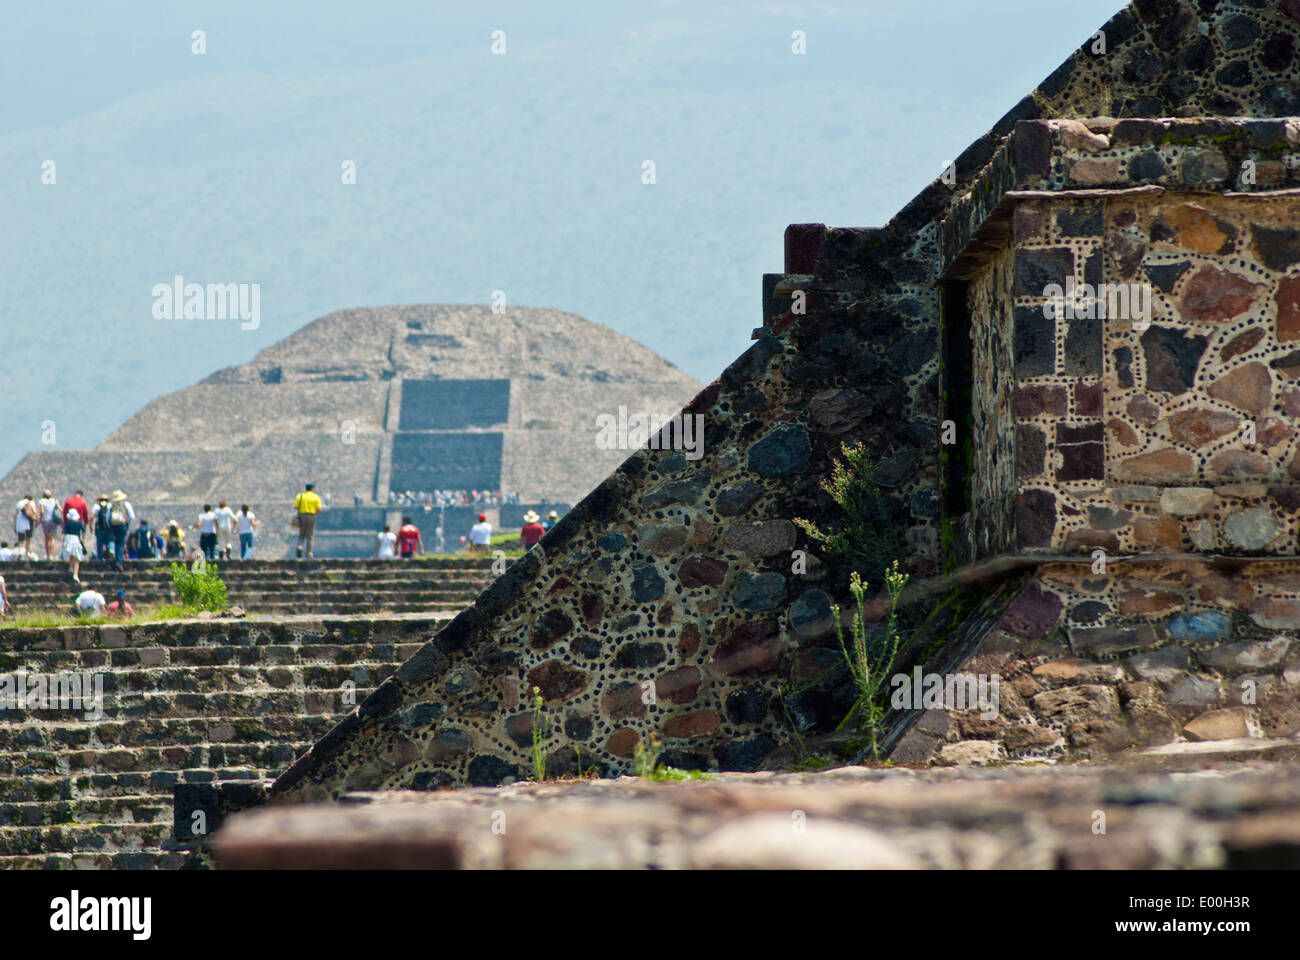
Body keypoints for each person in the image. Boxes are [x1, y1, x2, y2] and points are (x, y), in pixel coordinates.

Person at [293, 483, 323, 559]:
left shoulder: (300, 496)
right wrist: (313, 512)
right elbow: (319, 509)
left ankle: (300, 546)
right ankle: (309, 554)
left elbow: (296, 507)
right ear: (312, 489)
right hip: (311, 516)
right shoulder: (316, 497)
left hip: (302, 516)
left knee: (302, 534)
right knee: (310, 536)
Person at [107, 490, 135, 565]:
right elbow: (132, 516)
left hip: (114, 525)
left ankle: (116, 558)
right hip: (123, 525)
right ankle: (119, 561)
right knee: (121, 543)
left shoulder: (111, 505)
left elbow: (107, 518)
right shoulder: (126, 504)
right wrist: (128, 525)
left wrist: (110, 526)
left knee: (116, 542)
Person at [61, 507, 87, 582]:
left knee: (71, 554)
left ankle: (71, 567)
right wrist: (83, 539)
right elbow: (84, 531)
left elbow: (63, 532)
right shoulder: (79, 523)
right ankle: (75, 574)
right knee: (76, 556)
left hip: (68, 539)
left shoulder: (67, 524)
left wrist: (61, 541)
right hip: (76, 539)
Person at [38, 489, 62, 559]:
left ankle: (48, 555)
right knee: (52, 539)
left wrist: (40, 520)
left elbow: (42, 512)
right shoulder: (55, 501)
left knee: (47, 539)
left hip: (45, 521)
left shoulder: (42, 501)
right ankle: (51, 555)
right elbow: (60, 509)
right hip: (53, 521)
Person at [13, 494, 38, 559]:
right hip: (29, 522)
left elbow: (15, 515)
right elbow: (34, 512)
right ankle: (27, 553)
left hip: (20, 523)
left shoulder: (19, 503)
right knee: (28, 538)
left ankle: (20, 552)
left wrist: (15, 526)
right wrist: (36, 519)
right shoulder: (31, 503)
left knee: (21, 539)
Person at [92, 494, 113, 560]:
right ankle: (109, 556)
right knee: (109, 542)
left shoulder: (96, 506)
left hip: (99, 528)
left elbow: (92, 517)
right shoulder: (110, 506)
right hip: (108, 528)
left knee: (100, 544)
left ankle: (100, 558)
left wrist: (90, 526)